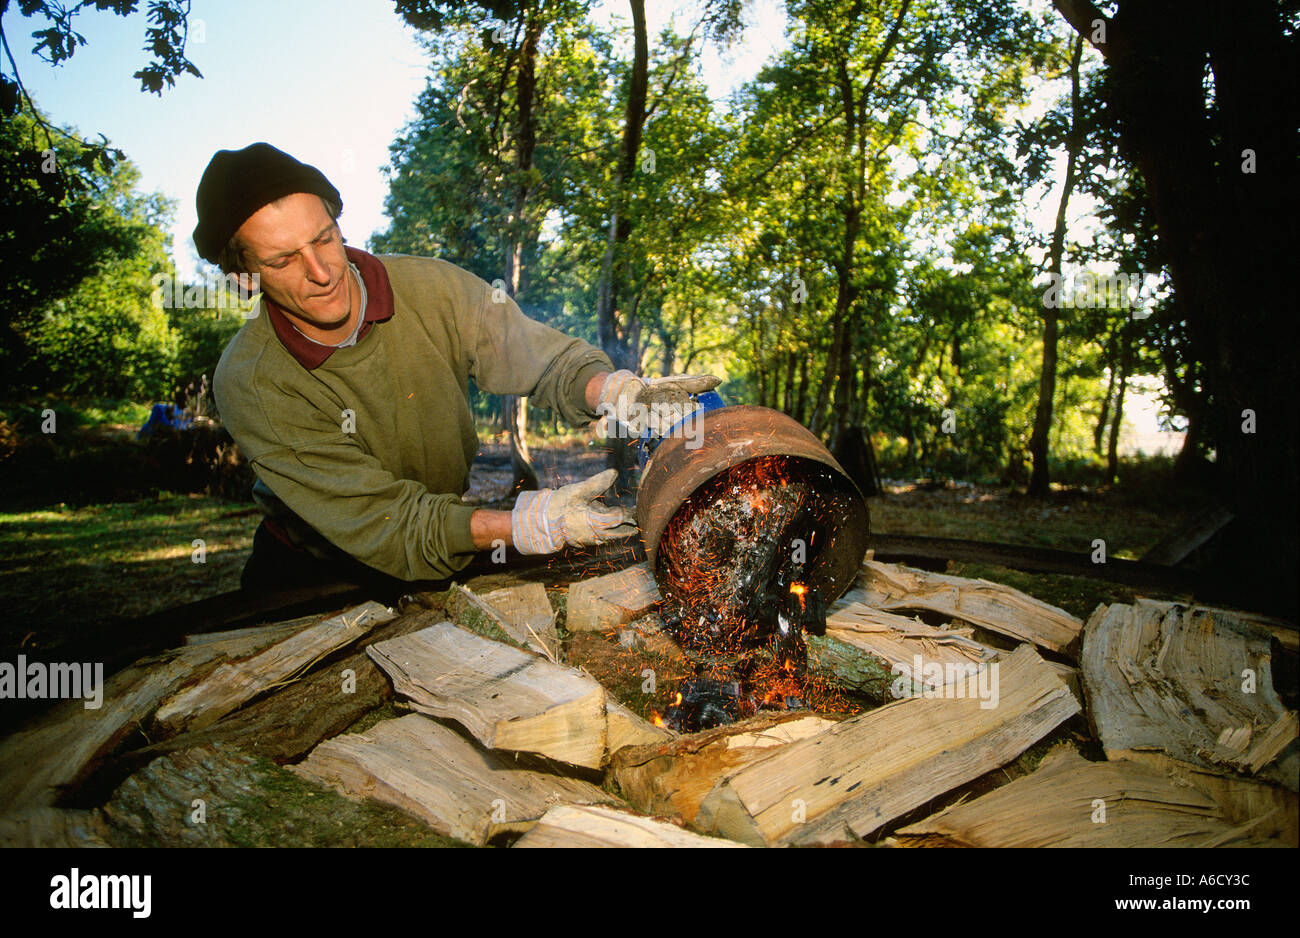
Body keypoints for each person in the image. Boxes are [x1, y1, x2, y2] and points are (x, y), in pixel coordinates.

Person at [194, 142, 717, 592]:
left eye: (325, 238)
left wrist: (615, 392)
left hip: (445, 535)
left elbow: (543, 359)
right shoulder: (253, 380)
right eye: (283, 261)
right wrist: (530, 522)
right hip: (309, 568)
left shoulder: (433, 288)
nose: (321, 272)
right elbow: (388, 523)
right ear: (243, 278)